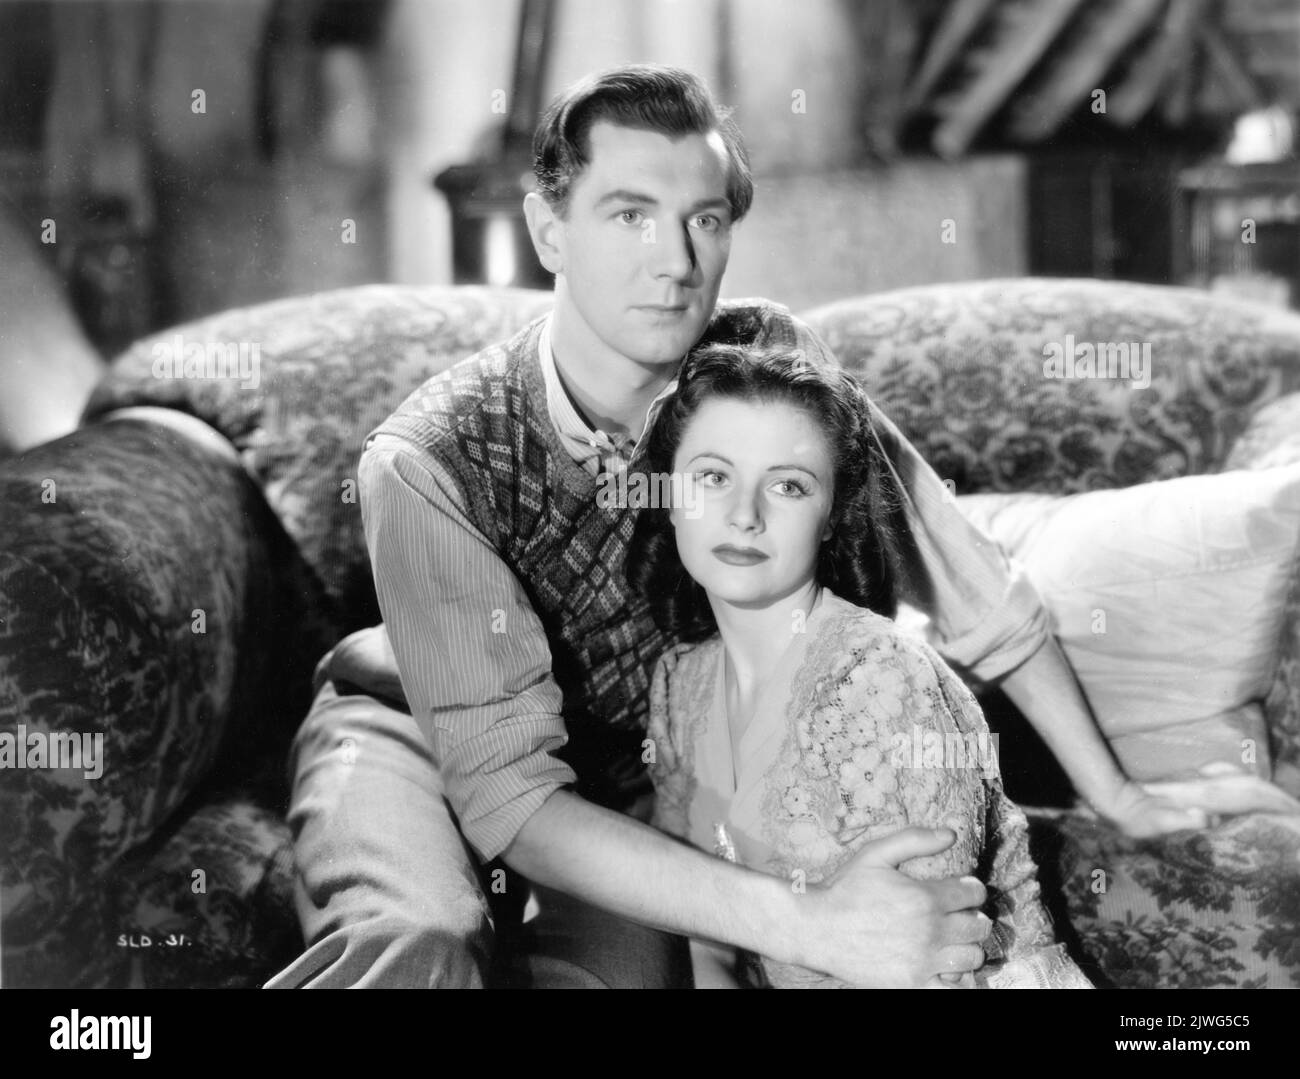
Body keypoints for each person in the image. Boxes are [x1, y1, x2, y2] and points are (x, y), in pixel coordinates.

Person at [265, 64, 1217, 990]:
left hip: (627, 777)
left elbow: (966, 582)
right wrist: (811, 923)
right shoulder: (428, 457)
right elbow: (509, 797)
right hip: (420, 730)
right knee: (421, 935)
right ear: (548, 228)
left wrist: (1119, 792)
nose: (675, 262)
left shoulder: (765, 361)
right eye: (629, 214)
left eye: (704, 220)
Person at [632, 342, 1092, 988]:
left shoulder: (888, 684)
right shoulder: (682, 685)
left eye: (789, 485)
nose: (744, 514)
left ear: (829, 519)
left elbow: (935, 969)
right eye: (713, 476)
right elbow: (704, 924)